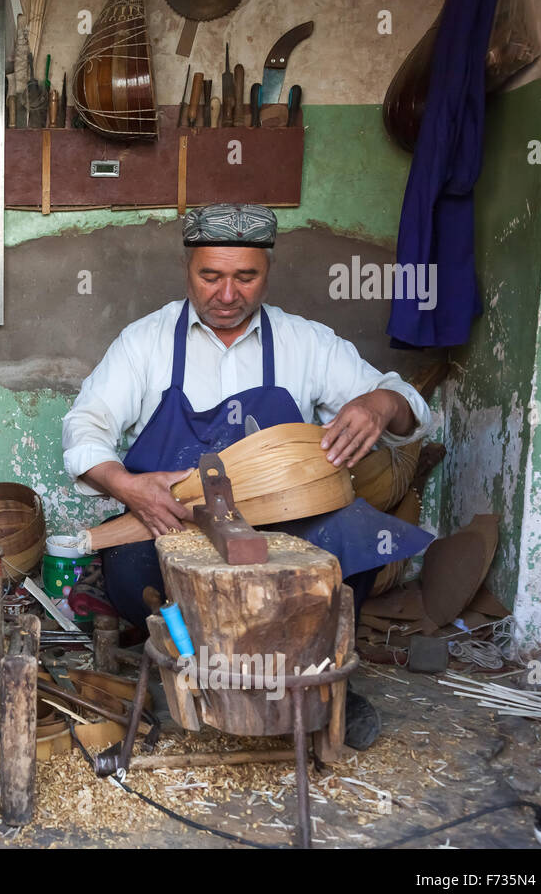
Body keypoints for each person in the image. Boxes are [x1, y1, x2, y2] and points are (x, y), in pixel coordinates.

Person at [62, 204, 433, 749]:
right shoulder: (146, 342)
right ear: (188, 268)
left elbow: (412, 409)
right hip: (174, 523)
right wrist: (125, 484)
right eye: (210, 276)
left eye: (246, 277)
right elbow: (83, 426)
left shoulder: (305, 342)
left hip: (286, 525)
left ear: (269, 272)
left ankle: (317, 683)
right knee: (129, 572)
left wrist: (380, 404)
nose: (227, 295)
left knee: (348, 542)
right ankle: (199, 679)